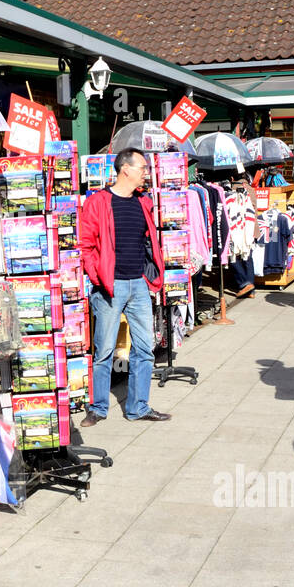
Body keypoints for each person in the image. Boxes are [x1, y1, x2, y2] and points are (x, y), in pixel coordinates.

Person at [78, 148, 170, 426]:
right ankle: (98, 408)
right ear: (125, 169)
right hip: (110, 285)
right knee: (104, 350)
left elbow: (147, 241)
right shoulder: (98, 202)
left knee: (145, 348)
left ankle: (138, 406)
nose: (146, 172)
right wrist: (99, 278)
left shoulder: (144, 202)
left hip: (138, 284)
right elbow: (85, 245)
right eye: (142, 167)